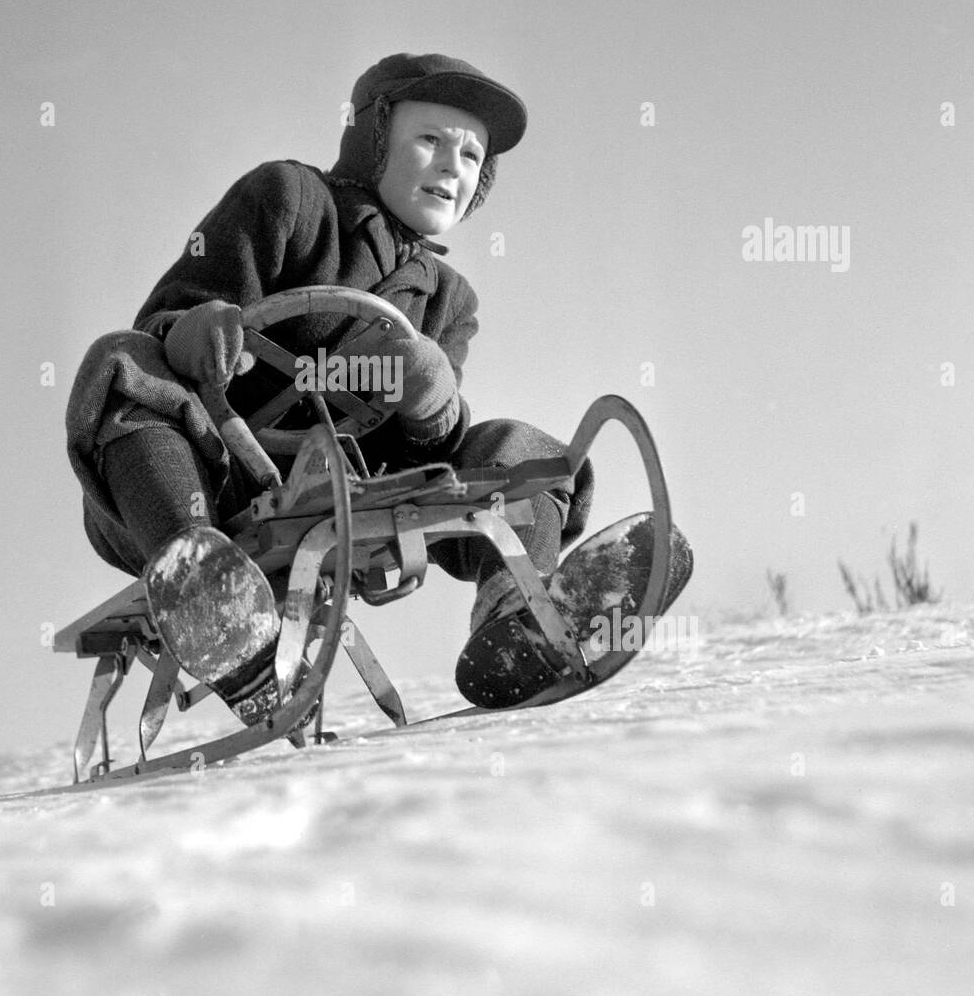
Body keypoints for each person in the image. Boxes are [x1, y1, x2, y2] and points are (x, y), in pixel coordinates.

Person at [66, 53, 595, 722]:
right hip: (214, 477)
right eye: (429, 139)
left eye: (471, 155)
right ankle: (206, 592)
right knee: (119, 359)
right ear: (375, 139)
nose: (450, 166)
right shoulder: (287, 198)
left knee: (525, 446)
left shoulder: (450, 299)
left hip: (362, 488)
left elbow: (437, 447)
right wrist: (188, 328)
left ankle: (520, 617)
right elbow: (171, 320)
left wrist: (433, 403)